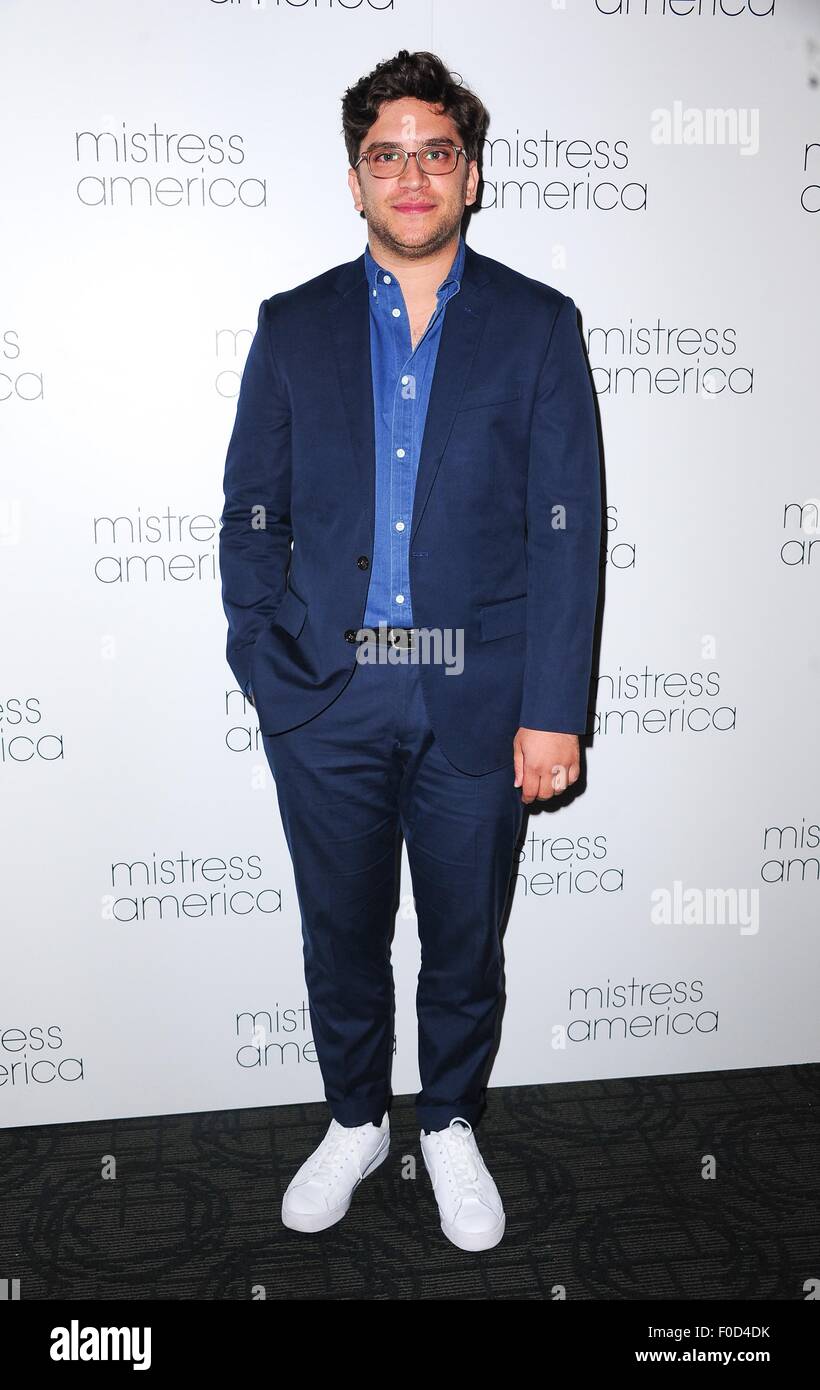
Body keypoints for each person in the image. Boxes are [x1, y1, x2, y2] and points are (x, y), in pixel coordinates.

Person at [218, 49, 601, 1253]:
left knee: (461, 937)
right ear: (355, 181)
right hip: (327, 697)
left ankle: (444, 1122)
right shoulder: (291, 327)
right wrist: (269, 668)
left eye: (435, 150)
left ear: (470, 173)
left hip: (478, 698)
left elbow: (569, 530)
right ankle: (351, 1118)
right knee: (338, 931)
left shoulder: (539, 327)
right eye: (386, 154)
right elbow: (251, 514)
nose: (412, 174)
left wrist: (552, 709)